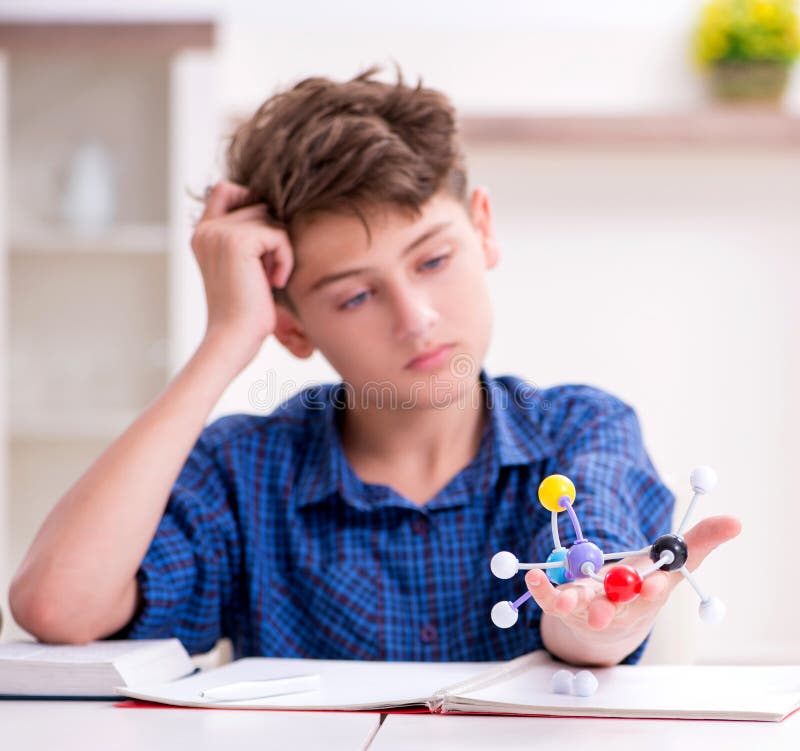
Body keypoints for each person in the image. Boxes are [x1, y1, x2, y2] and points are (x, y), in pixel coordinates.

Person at [9, 66, 740, 667]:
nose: (415, 315)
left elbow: (586, 610)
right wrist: (228, 337)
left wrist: (600, 617)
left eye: (433, 259)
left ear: (481, 227)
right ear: (291, 322)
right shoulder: (243, 472)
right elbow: (58, 607)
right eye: (356, 294)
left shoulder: (582, 430)